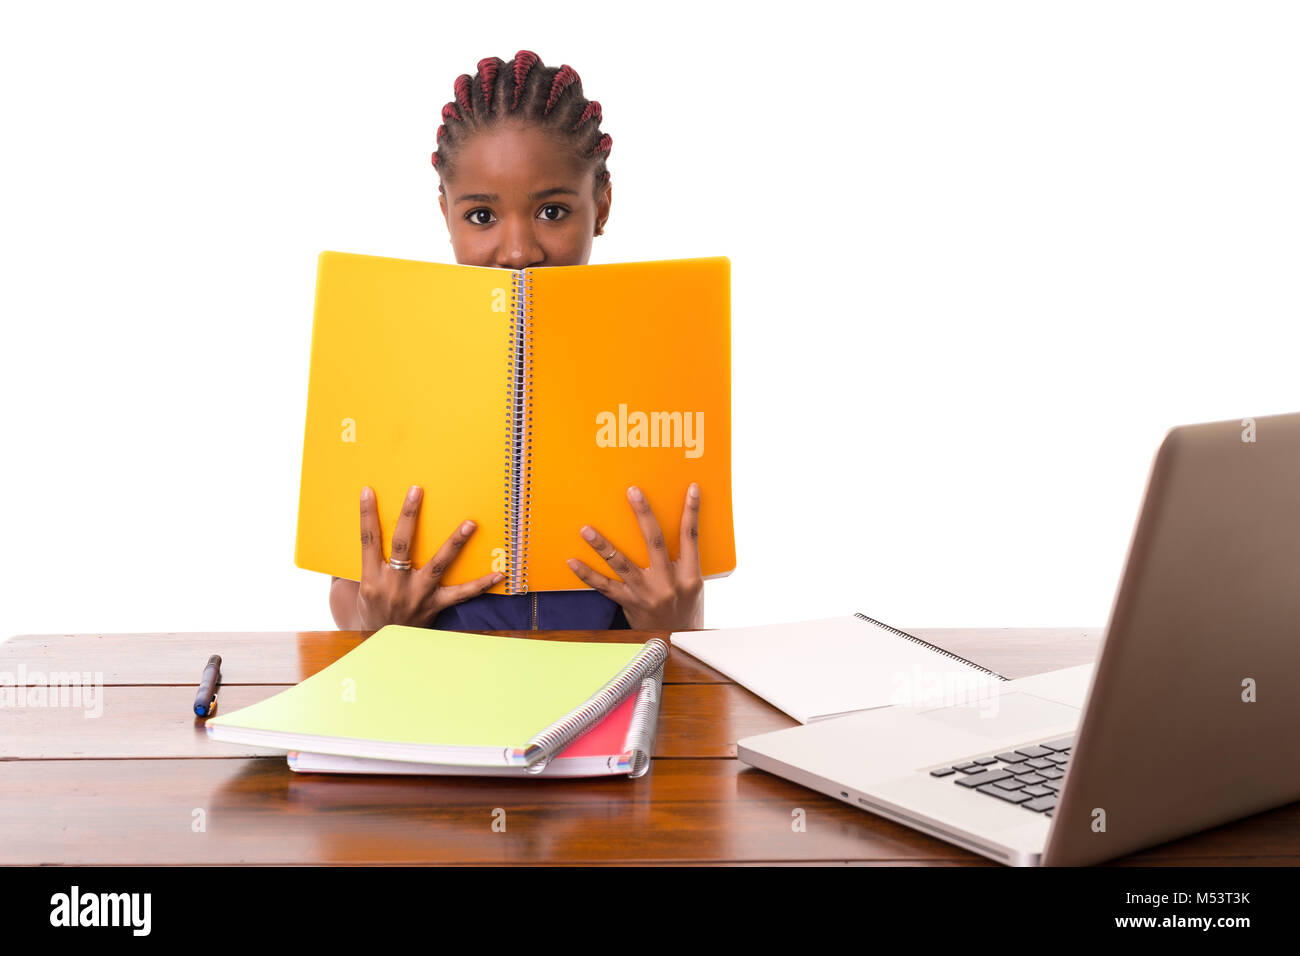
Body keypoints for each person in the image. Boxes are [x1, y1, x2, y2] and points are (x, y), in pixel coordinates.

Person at [329, 51, 706, 635]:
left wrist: (672, 621)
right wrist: (377, 621)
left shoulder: (657, 368)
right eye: (481, 216)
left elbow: (679, 610)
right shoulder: (387, 363)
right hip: (437, 703)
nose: (517, 251)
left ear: (601, 205)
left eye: (552, 211)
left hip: (597, 702)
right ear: (446, 215)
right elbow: (349, 600)